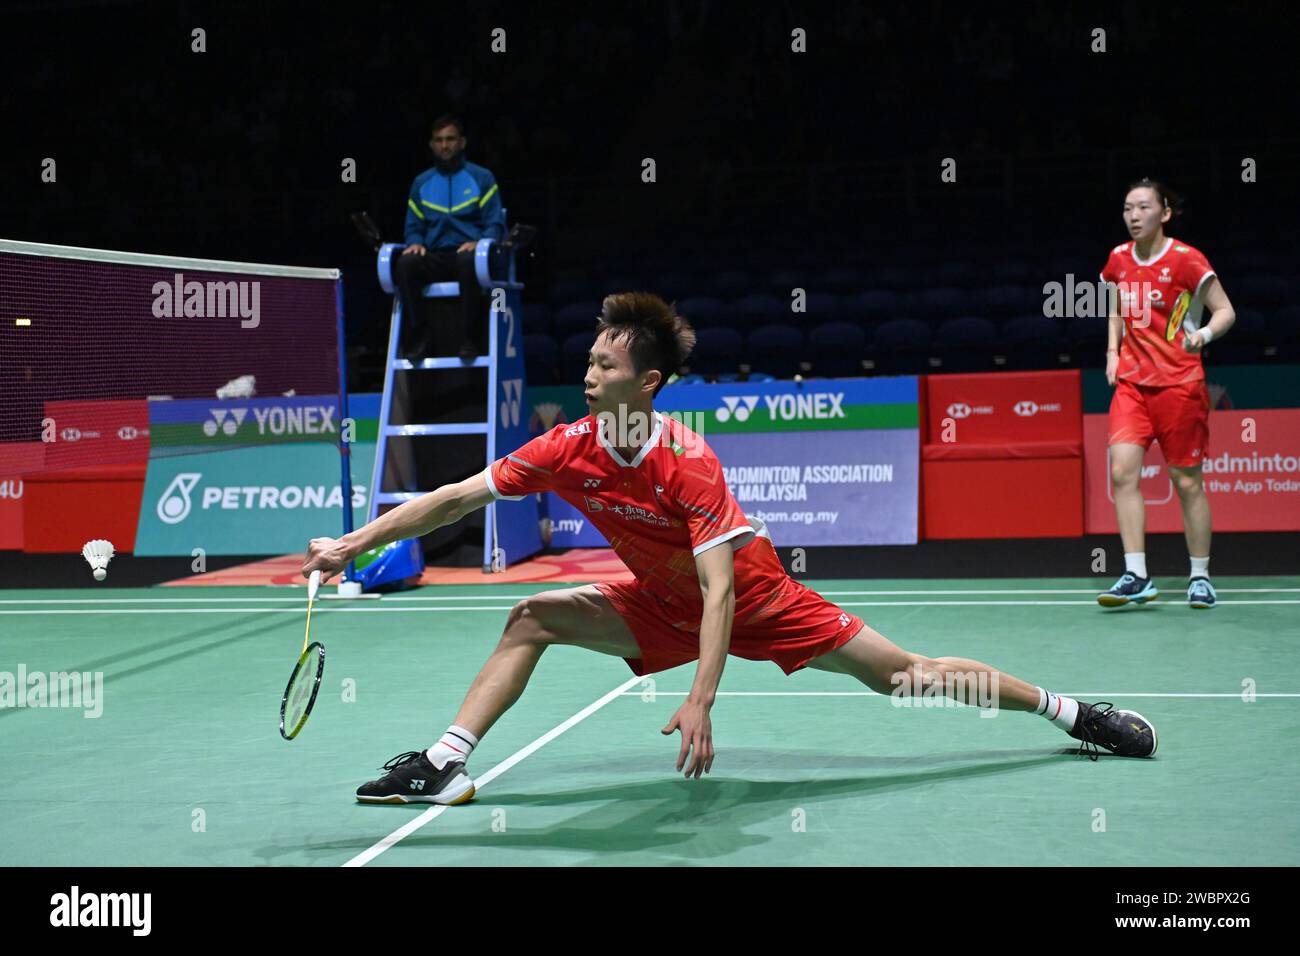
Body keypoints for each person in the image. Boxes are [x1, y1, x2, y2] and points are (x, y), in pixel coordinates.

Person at [304, 293, 1158, 806]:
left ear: (647, 384)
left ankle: (1074, 714)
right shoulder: (567, 447)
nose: (589, 374)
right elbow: (454, 497)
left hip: (757, 602)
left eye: (605, 365)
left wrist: (703, 700)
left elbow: (723, 596)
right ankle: (443, 765)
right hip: (663, 606)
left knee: (909, 677)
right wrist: (353, 543)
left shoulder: (688, 462)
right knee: (531, 616)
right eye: (591, 361)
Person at [1097, 178, 1237, 610]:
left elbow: (1226, 310)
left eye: (1142, 207)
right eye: (1127, 208)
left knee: (1186, 481)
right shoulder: (1118, 259)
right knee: (1123, 474)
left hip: (1179, 384)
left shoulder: (1186, 260)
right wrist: (1112, 352)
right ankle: (1137, 574)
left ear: (1164, 213)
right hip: (1132, 385)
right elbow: (1117, 306)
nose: (1133, 216)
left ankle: (1200, 575)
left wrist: (1206, 335)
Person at [395, 114, 507, 362]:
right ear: (432, 145)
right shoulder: (421, 183)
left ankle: (471, 339)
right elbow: (413, 226)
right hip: (436, 256)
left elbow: (494, 223)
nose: (445, 145)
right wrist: (415, 242)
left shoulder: (482, 178)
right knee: (406, 264)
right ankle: (421, 337)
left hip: (470, 256)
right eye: (439, 140)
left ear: (462, 142)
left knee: (469, 261)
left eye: (450, 139)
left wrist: (481, 242)